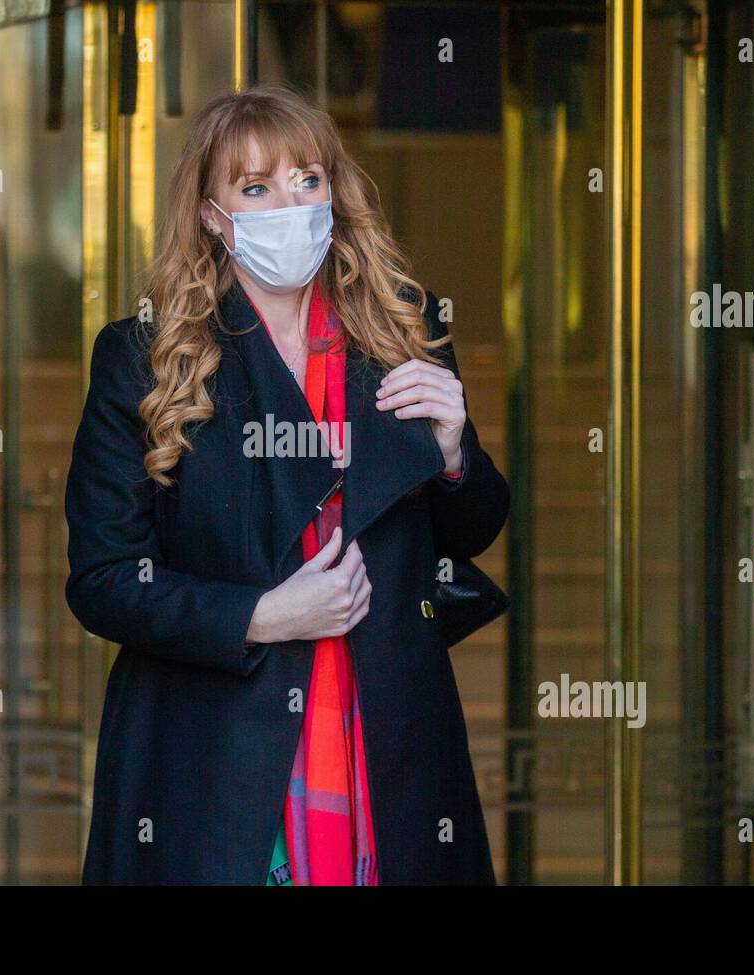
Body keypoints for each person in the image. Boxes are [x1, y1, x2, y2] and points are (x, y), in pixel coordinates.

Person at [65, 82, 509, 885]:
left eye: (308, 180)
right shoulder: (145, 354)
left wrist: (453, 450)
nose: (291, 204)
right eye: (257, 187)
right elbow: (103, 580)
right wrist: (262, 616)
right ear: (210, 213)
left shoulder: (401, 328)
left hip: (389, 743)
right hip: (217, 756)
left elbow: (471, 530)